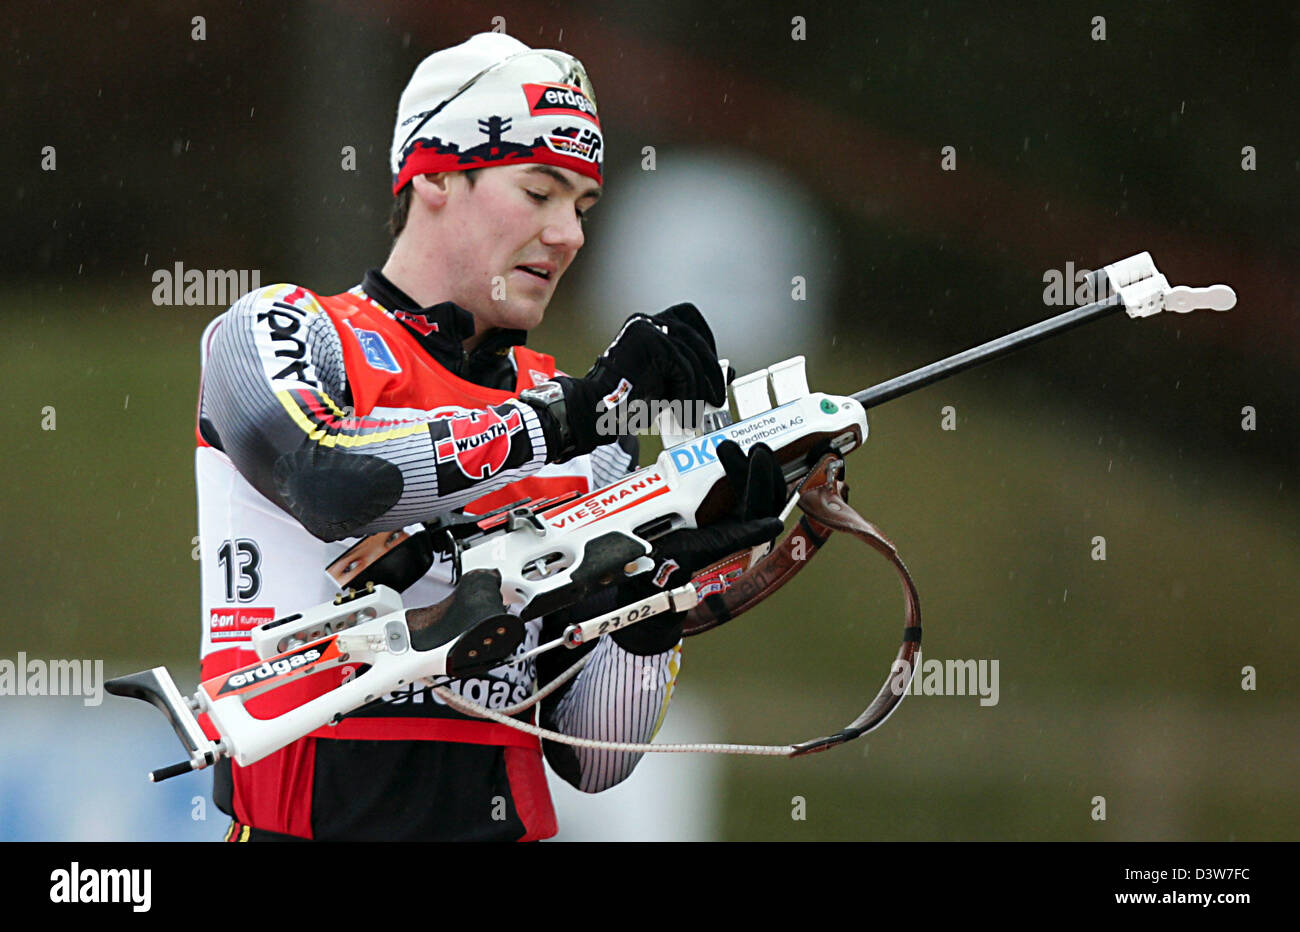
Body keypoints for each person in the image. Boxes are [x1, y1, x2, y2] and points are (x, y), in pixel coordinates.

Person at [194, 32, 785, 841]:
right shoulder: (285, 329)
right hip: (306, 818)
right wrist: (569, 417)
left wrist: (658, 602)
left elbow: (595, 757)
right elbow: (329, 483)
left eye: (580, 207)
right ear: (434, 174)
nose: (569, 235)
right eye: (538, 192)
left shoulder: (590, 426)